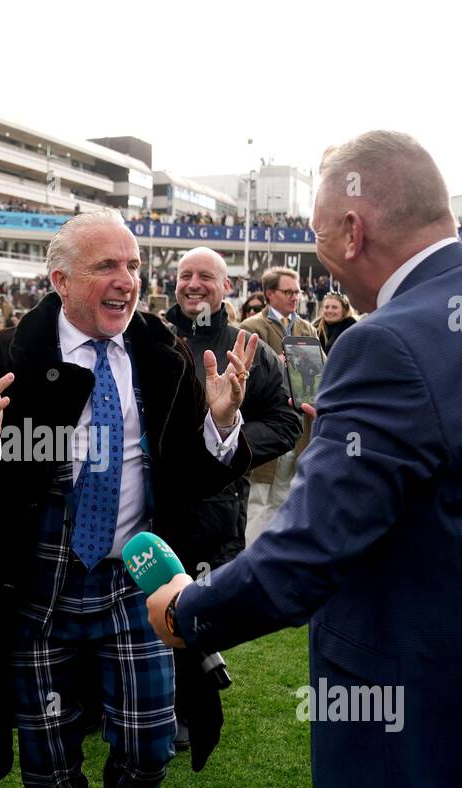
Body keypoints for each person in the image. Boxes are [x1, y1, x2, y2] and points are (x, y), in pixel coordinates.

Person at [146, 131, 462, 788]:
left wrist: (190, 610)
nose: (316, 252)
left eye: (316, 229)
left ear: (353, 228)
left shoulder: (387, 342)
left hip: (411, 723)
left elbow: (309, 548)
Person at [0, 210, 255, 788]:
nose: (127, 281)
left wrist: (222, 426)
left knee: (146, 748)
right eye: (107, 266)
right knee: (47, 760)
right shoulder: (4, 357)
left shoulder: (160, 355)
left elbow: (194, 474)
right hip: (36, 594)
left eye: (134, 266)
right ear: (60, 279)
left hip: (133, 586)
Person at [161, 247, 300, 756]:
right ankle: (134, 702)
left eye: (205, 276)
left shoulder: (248, 347)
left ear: (226, 286)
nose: (193, 284)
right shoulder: (147, 339)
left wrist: (226, 437)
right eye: (184, 275)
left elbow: (285, 423)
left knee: (191, 609)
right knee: (140, 604)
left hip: (211, 509)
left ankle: (192, 713)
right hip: (149, 505)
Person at [240, 266, 316, 544]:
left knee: (285, 499)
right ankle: (249, 561)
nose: (295, 297)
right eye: (288, 292)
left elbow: (318, 377)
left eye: (297, 292)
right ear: (270, 294)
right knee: (258, 502)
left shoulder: (306, 327)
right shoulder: (251, 327)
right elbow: (242, 375)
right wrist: (276, 365)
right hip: (267, 426)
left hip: (298, 429)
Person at [312, 290, 357, 355]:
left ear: (344, 310)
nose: (329, 311)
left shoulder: (353, 330)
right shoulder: (314, 328)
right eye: (326, 307)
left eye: (334, 307)